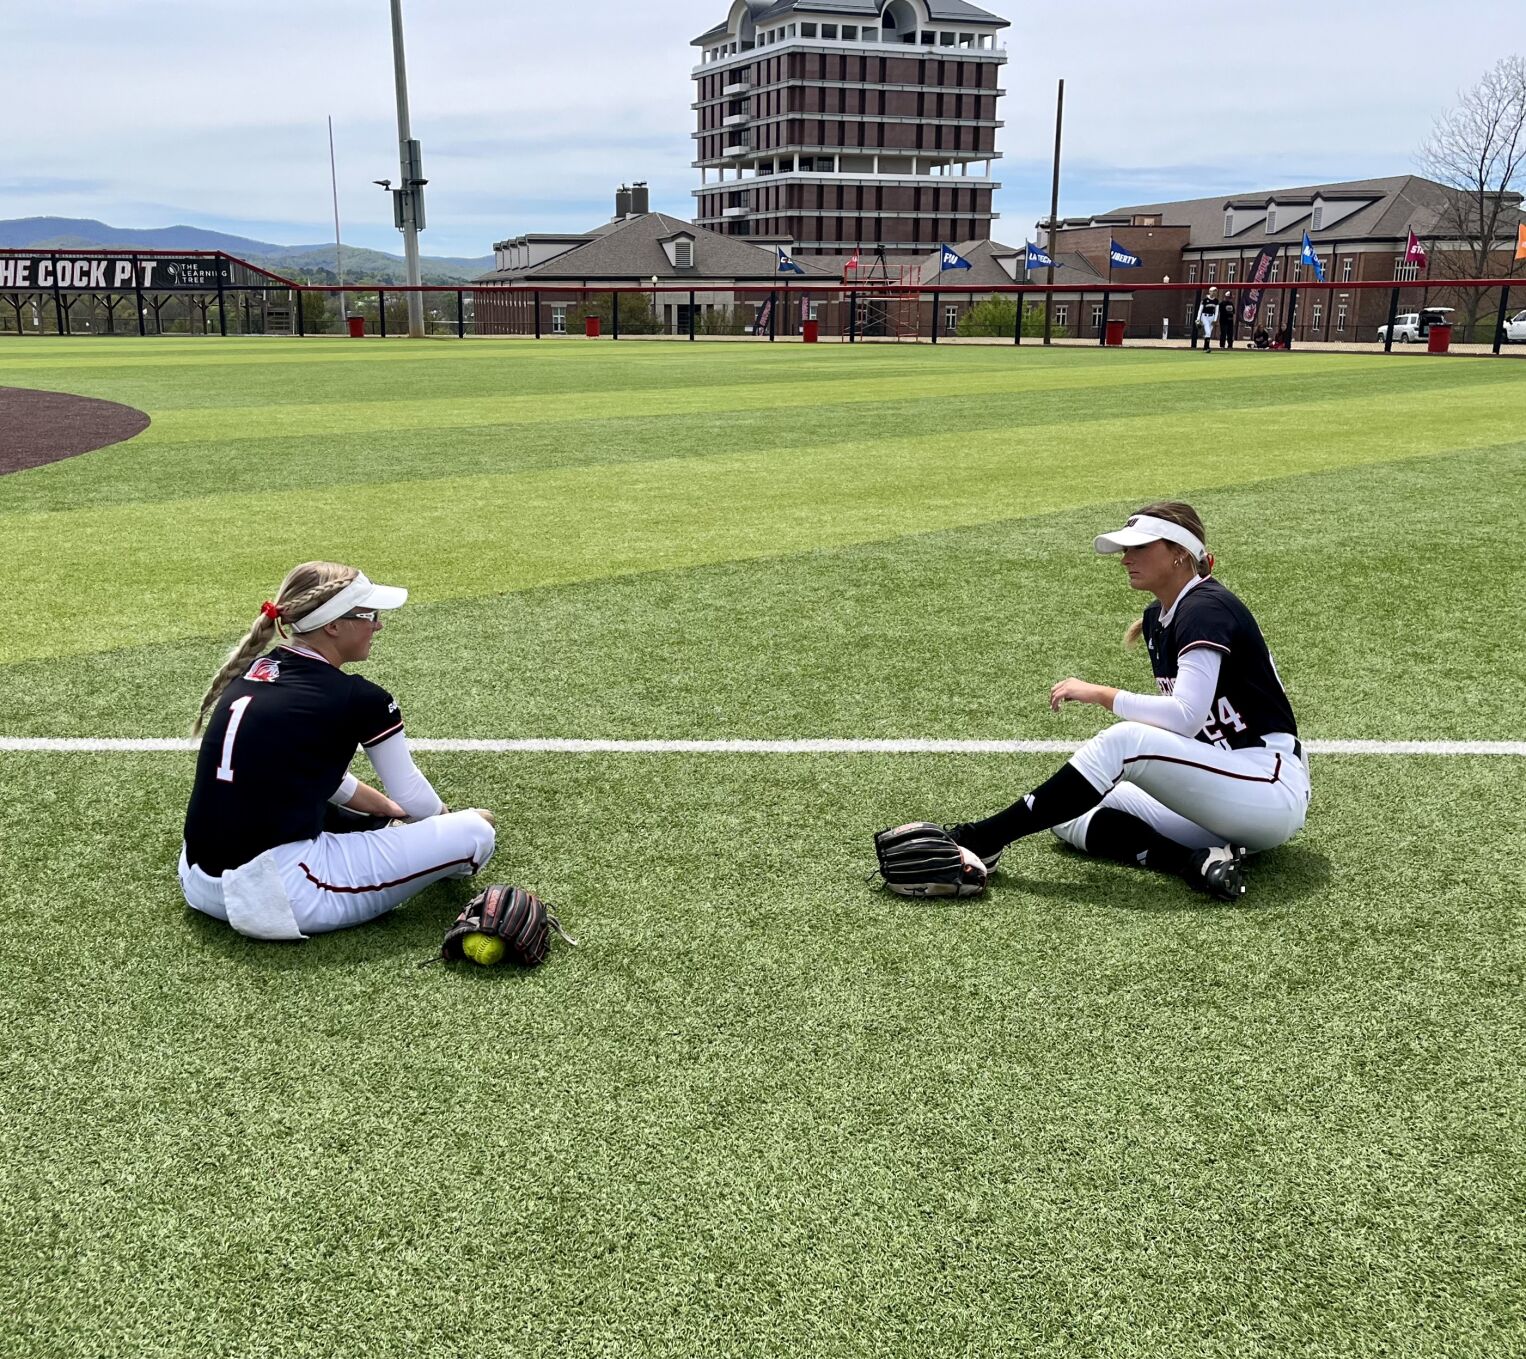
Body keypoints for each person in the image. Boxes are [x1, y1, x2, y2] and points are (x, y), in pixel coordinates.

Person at [947, 503, 1310, 901]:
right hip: (1221, 797)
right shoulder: (1159, 617)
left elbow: (1186, 717)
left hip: (1268, 788)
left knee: (1125, 742)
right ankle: (1194, 862)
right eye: (1125, 549)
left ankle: (983, 838)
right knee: (1069, 810)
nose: (1125, 559)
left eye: (1138, 548)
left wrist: (1102, 695)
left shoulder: (1205, 607)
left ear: (1179, 553)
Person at [179, 561, 498, 940]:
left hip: (198, 881)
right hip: (281, 896)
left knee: (351, 813)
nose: (378, 626)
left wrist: (385, 810)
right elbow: (412, 794)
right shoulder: (356, 696)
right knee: (475, 832)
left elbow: (315, 775)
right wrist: (447, 822)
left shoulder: (253, 670)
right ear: (333, 625)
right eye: (369, 616)